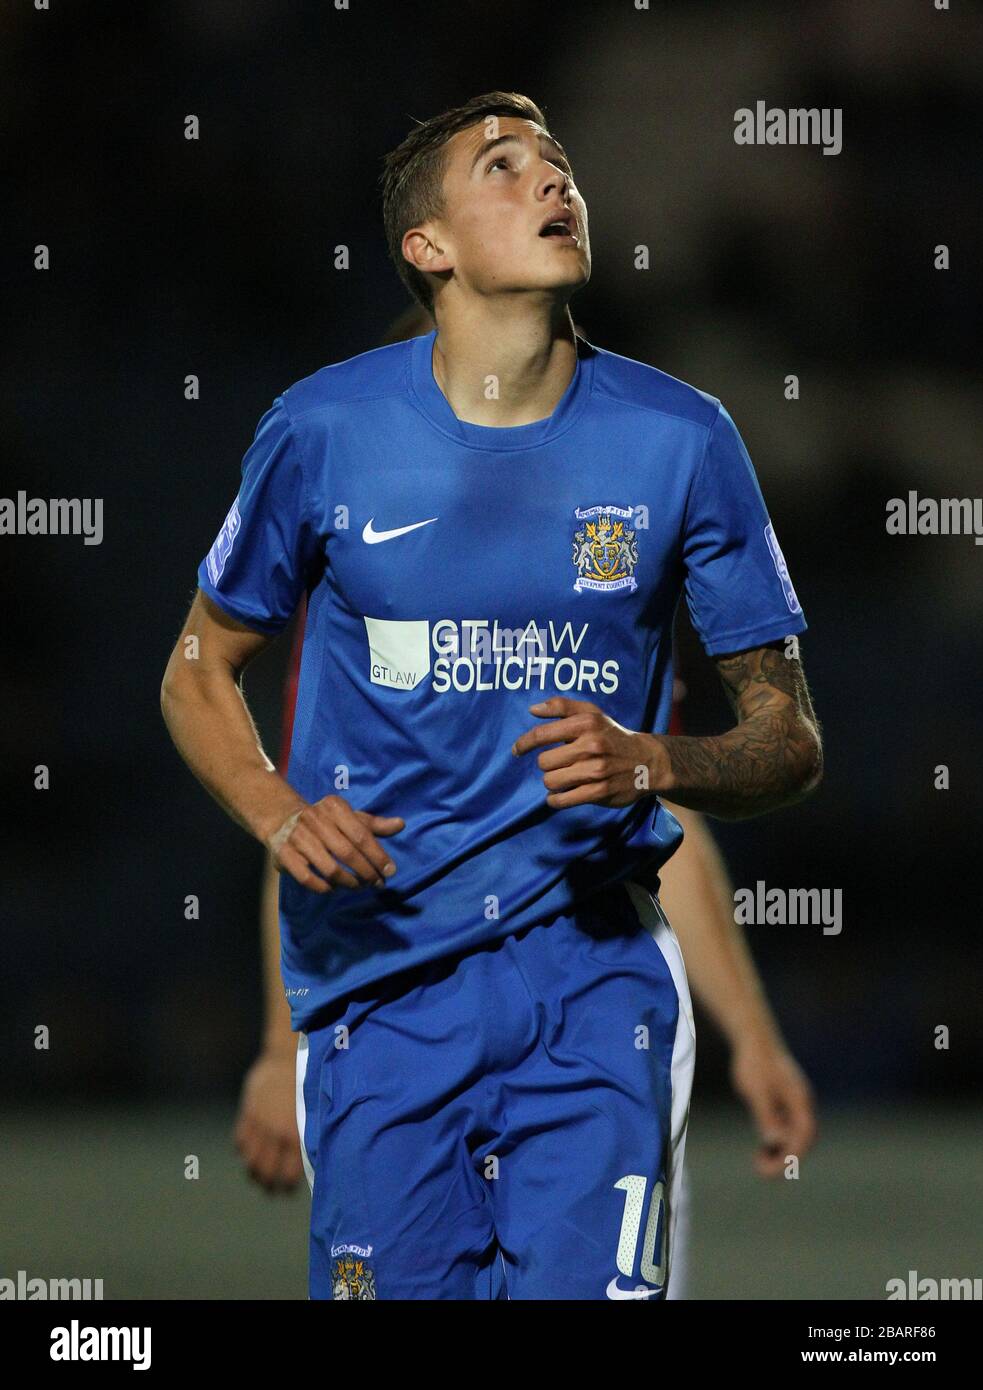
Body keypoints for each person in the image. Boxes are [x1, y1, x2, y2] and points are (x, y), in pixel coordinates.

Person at [161, 91, 822, 1300]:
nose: (553, 184)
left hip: (596, 978)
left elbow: (787, 739)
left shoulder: (682, 440)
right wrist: (272, 812)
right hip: (382, 986)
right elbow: (199, 666)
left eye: (560, 166)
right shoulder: (322, 431)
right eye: (505, 168)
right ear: (429, 246)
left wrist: (656, 763)